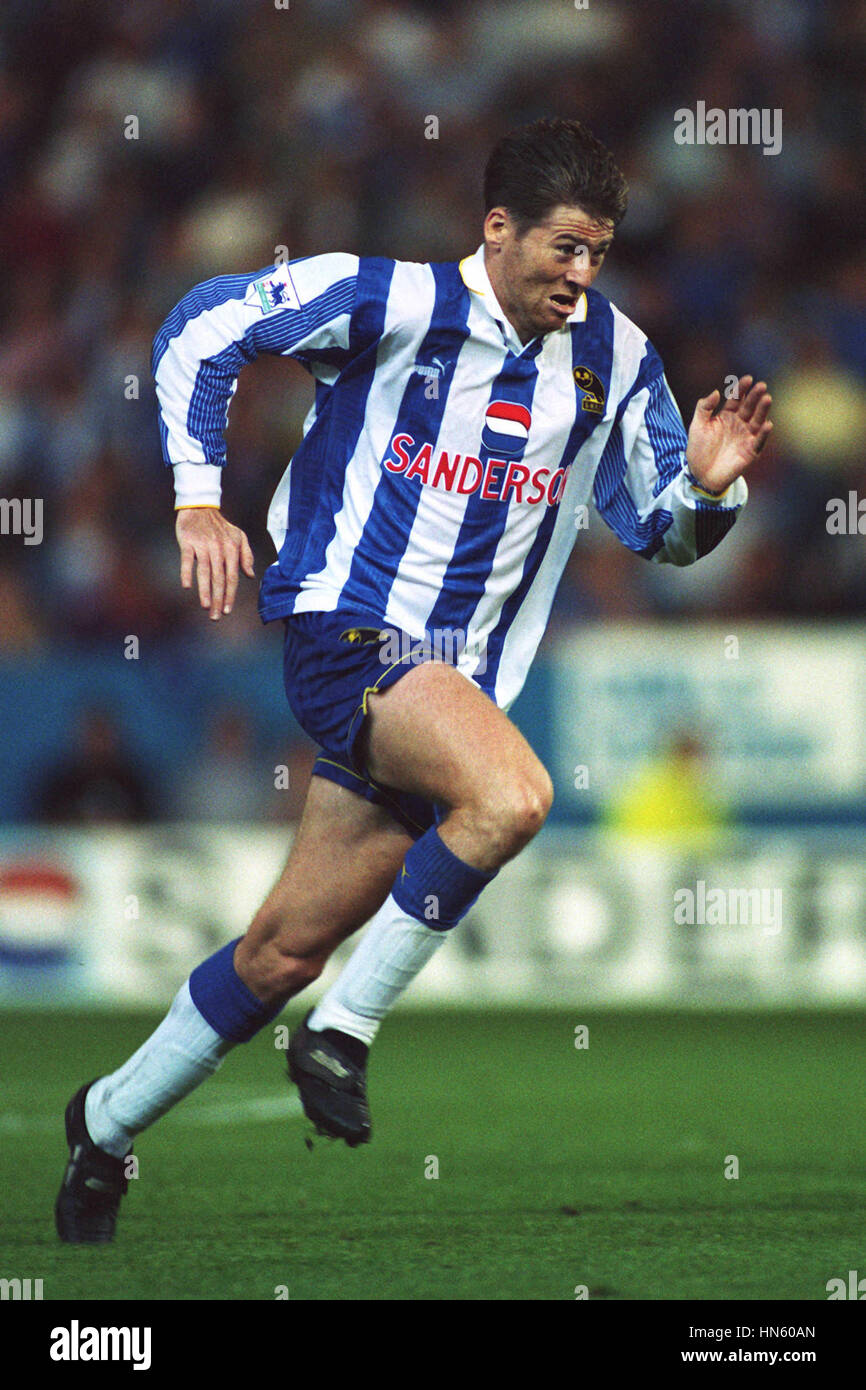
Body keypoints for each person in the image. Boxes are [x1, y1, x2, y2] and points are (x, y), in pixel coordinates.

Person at [55, 117, 772, 1243]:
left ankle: (102, 1123)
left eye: (598, 252)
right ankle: (342, 1030)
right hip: (348, 635)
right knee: (513, 795)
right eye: (563, 250)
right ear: (497, 230)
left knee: (280, 948)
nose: (581, 275)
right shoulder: (380, 298)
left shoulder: (616, 358)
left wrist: (710, 489)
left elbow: (652, 531)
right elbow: (202, 327)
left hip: (449, 689)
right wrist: (197, 497)